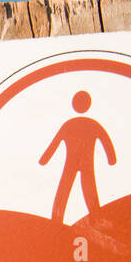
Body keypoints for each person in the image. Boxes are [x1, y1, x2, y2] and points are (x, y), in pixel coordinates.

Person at [39, 90, 116, 224]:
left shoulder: (72, 124)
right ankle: (89, 218)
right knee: (83, 189)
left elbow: (54, 145)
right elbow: (106, 142)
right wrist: (111, 159)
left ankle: (59, 219)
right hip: (80, 163)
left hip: (79, 163)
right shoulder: (89, 124)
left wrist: (44, 159)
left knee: (72, 188)